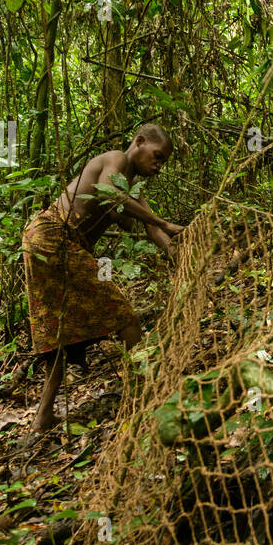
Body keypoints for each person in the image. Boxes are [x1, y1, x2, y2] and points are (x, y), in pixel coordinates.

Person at [22, 123, 184, 432]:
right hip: (53, 236)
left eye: (163, 161)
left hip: (42, 239)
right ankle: (149, 392)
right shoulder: (116, 160)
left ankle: (42, 418)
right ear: (138, 142)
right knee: (124, 316)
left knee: (58, 333)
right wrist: (163, 221)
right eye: (157, 156)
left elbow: (151, 229)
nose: (159, 166)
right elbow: (110, 191)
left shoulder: (133, 188)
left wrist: (177, 253)